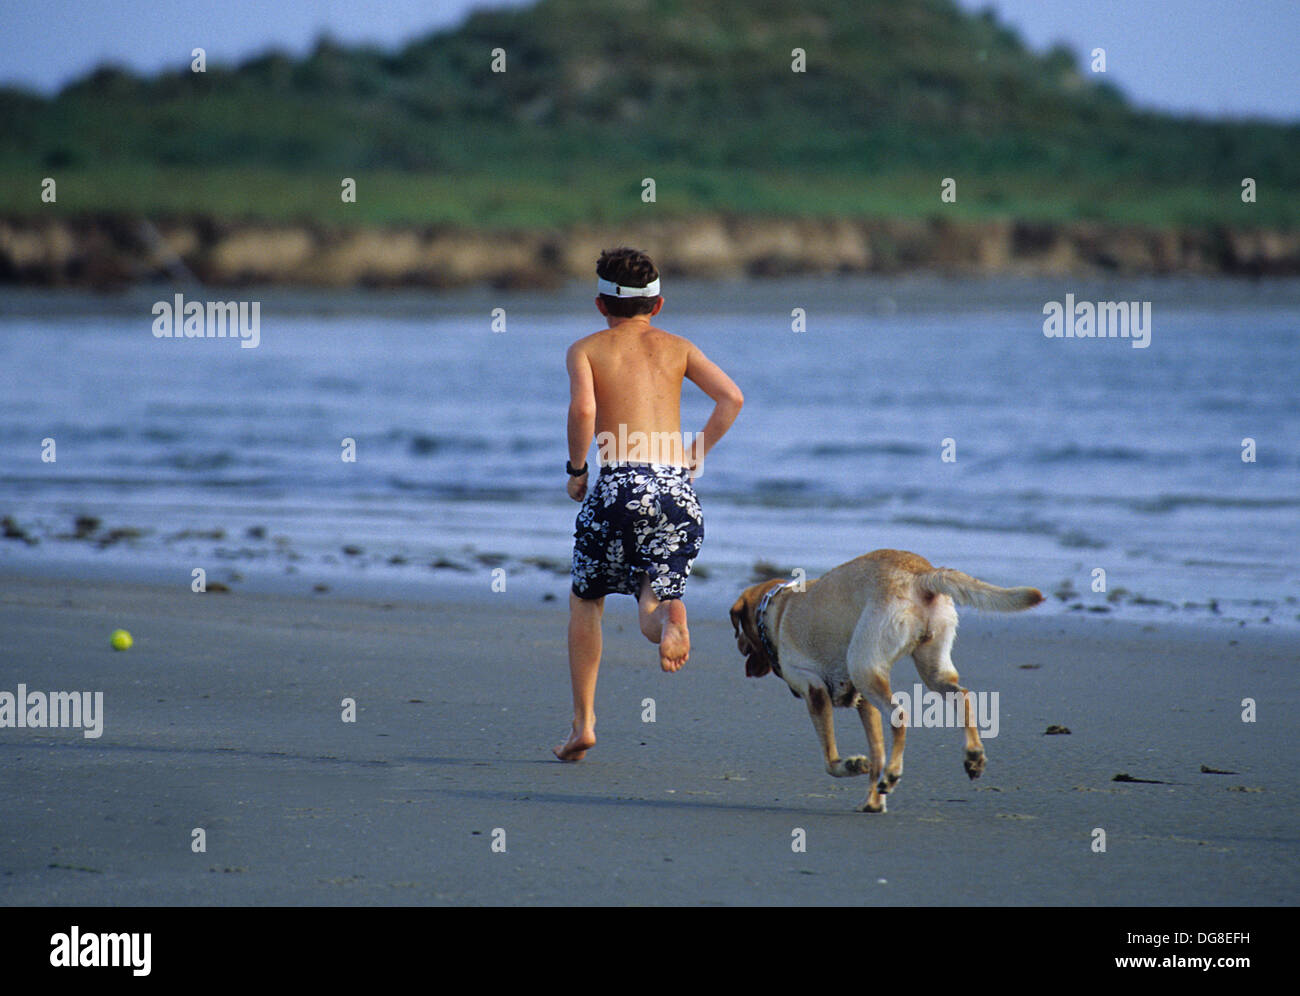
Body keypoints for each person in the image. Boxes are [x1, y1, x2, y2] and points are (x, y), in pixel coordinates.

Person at [554, 247, 744, 761]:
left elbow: (585, 409)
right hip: (675, 492)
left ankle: (583, 724)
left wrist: (577, 471)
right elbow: (731, 399)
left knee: (586, 600)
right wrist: (693, 457)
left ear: (600, 305)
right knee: (650, 600)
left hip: (618, 486)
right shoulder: (679, 347)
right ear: (657, 305)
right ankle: (669, 624)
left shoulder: (586, 349)